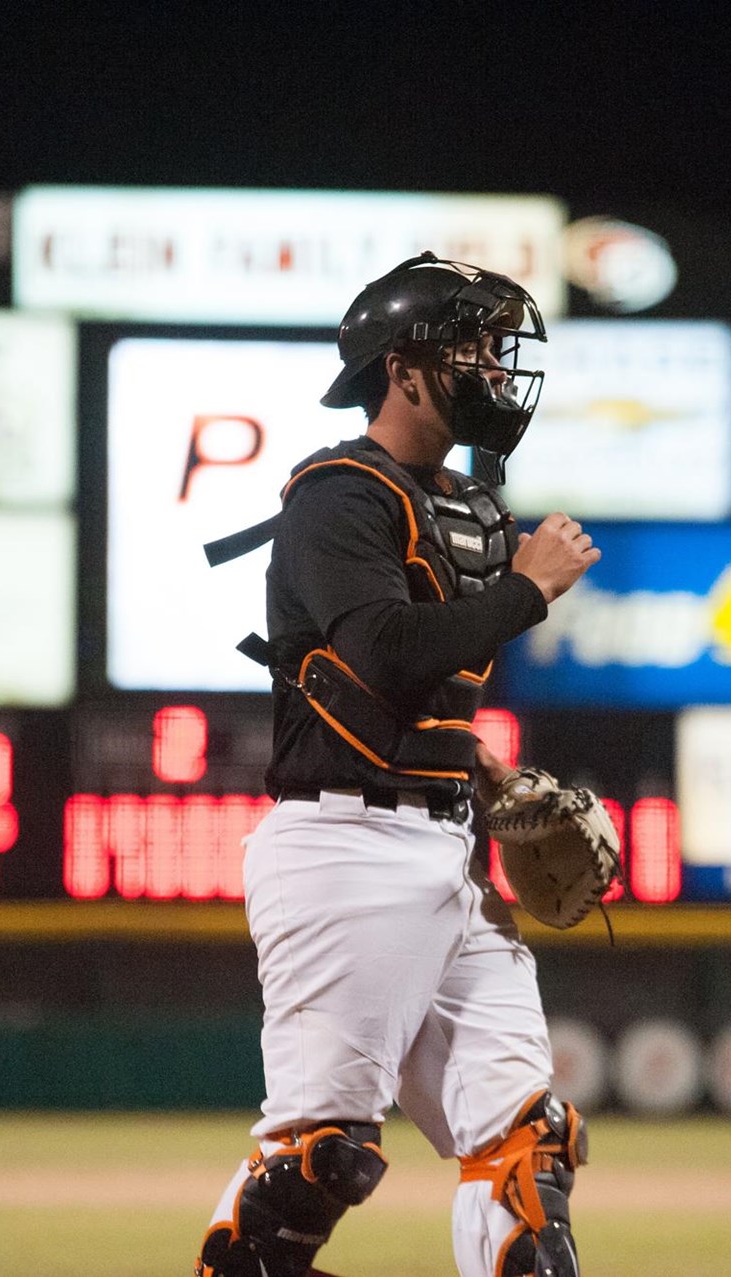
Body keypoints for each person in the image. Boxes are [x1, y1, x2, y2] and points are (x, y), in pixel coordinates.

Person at [197, 253, 600, 1277]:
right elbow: (379, 650)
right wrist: (526, 592)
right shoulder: (339, 494)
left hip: (436, 847)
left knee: (526, 1143)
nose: (497, 370)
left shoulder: (461, 501)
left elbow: (404, 699)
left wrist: (473, 770)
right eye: (474, 345)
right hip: (340, 847)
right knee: (316, 1159)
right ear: (405, 369)